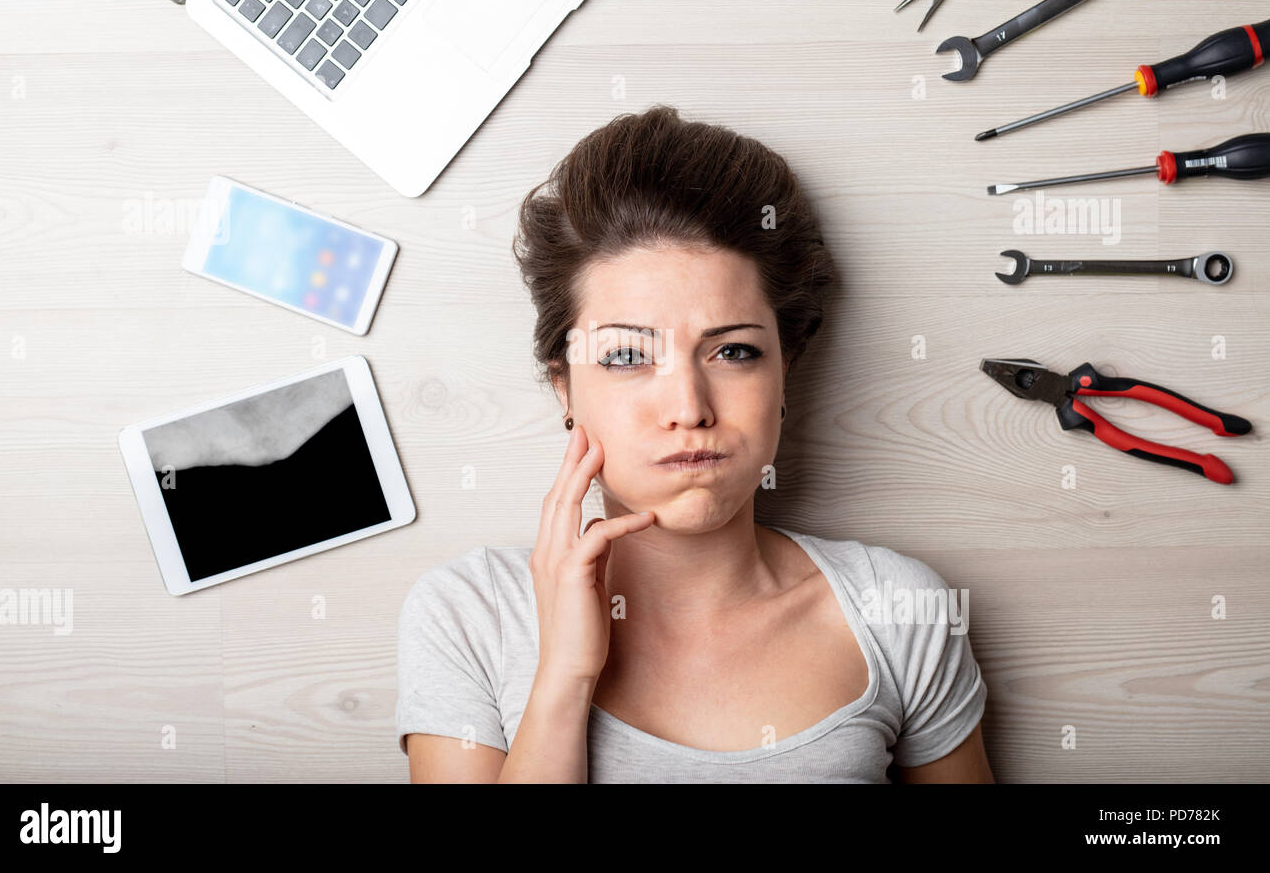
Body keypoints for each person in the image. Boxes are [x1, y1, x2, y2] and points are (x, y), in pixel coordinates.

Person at [396, 105, 993, 782]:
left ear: (784, 372)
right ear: (564, 387)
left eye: (734, 351)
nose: (688, 409)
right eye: (626, 357)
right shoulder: (469, 614)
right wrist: (564, 675)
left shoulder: (897, 609)